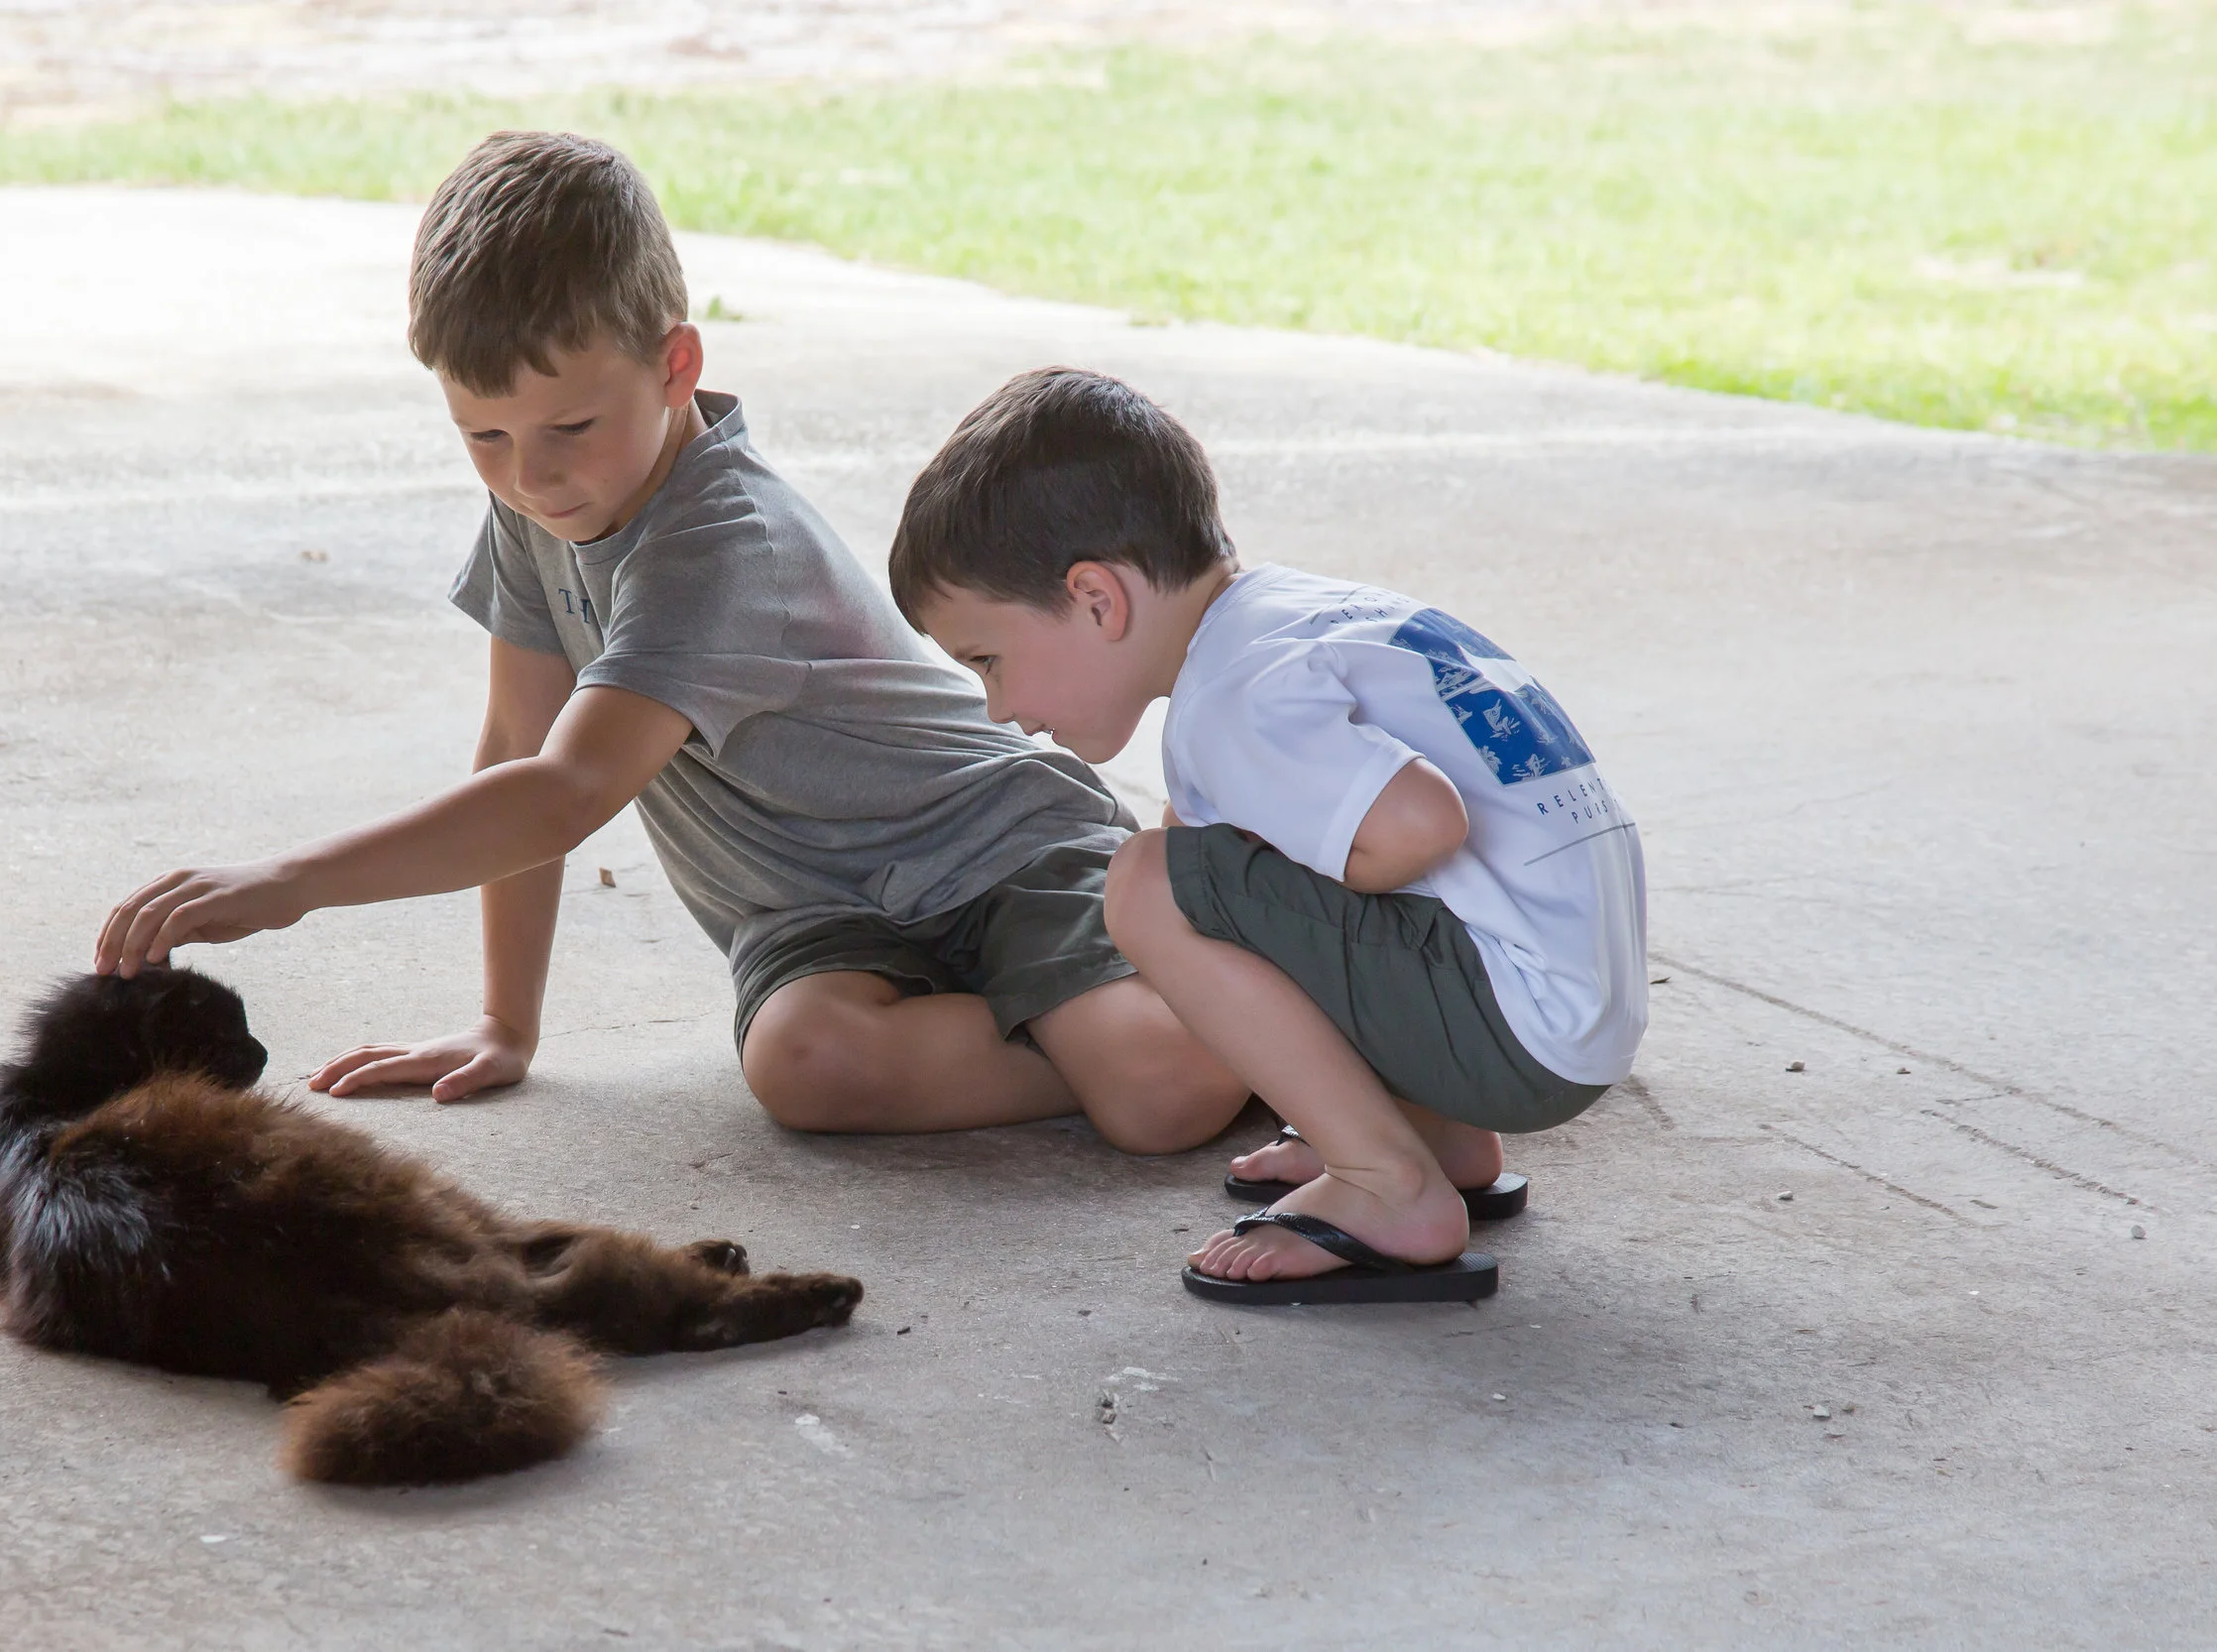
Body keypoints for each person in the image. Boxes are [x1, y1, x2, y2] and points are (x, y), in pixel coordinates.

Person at [95, 133, 1246, 1151]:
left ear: (676, 364)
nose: (529, 475)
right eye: (482, 433)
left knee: (1157, 1101)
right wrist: (508, 1021)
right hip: (824, 917)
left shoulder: (715, 543)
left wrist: (293, 882)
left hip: (994, 847)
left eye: (569, 426)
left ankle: (1233, 1013)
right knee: (803, 1066)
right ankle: (1106, 1017)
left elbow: (561, 793)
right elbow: (515, 740)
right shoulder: (540, 506)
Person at [888, 367, 1647, 1303]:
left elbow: (1422, 822)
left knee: (1149, 884)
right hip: (1572, 1007)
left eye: (989, 661)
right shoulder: (1291, 619)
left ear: (1096, 599)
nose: (997, 707)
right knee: (1217, 862)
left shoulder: (1231, 700)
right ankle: (1440, 1139)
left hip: (1520, 1032)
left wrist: (1276, 887)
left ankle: (1387, 1184)